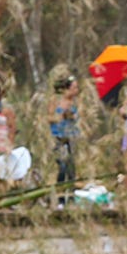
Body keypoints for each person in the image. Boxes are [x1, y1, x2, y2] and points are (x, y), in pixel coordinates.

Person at [49, 75, 82, 204]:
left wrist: (73, 116)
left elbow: (81, 118)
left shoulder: (76, 103)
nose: (76, 90)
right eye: (74, 88)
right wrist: (61, 115)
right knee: (62, 167)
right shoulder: (56, 101)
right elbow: (49, 117)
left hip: (72, 136)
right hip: (59, 137)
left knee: (71, 168)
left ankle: (72, 197)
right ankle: (61, 197)